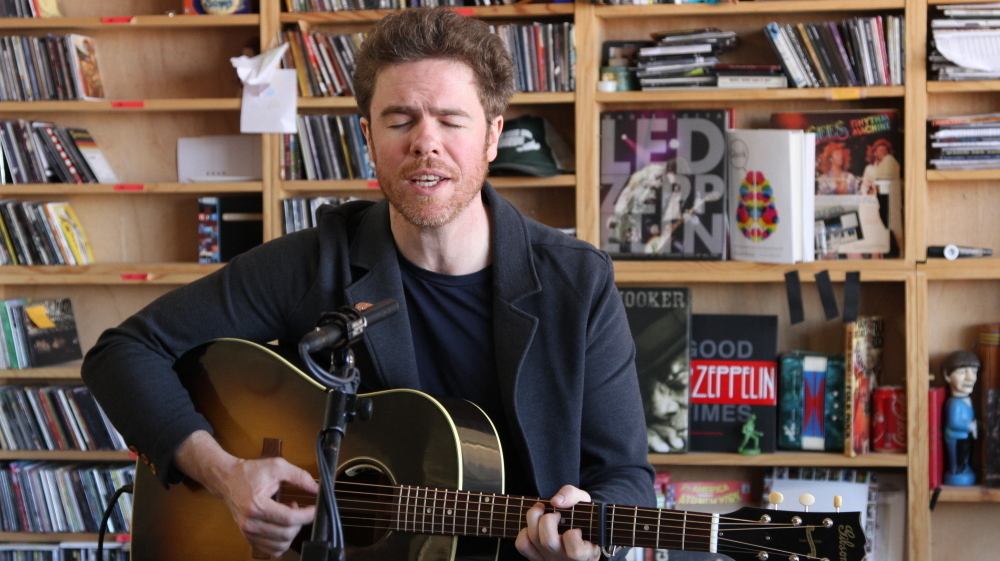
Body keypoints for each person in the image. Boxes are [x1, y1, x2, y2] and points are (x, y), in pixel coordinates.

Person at [81, 7, 655, 561]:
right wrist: (226, 474)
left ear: (492, 136)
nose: (424, 142)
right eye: (399, 120)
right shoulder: (316, 262)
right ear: (367, 136)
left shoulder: (576, 282)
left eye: (452, 121)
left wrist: (590, 535)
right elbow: (122, 354)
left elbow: (625, 479)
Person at [942, 350, 980, 486]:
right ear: (947, 375)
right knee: (958, 458)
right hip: (956, 438)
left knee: (966, 457)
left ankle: (964, 469)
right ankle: (957, 472)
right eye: (963, 372)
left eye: (974, 372)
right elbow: (954, 422)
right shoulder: (955, 403)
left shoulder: (966, 400)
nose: (970, 378)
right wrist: (970, 425)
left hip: (966, 437)